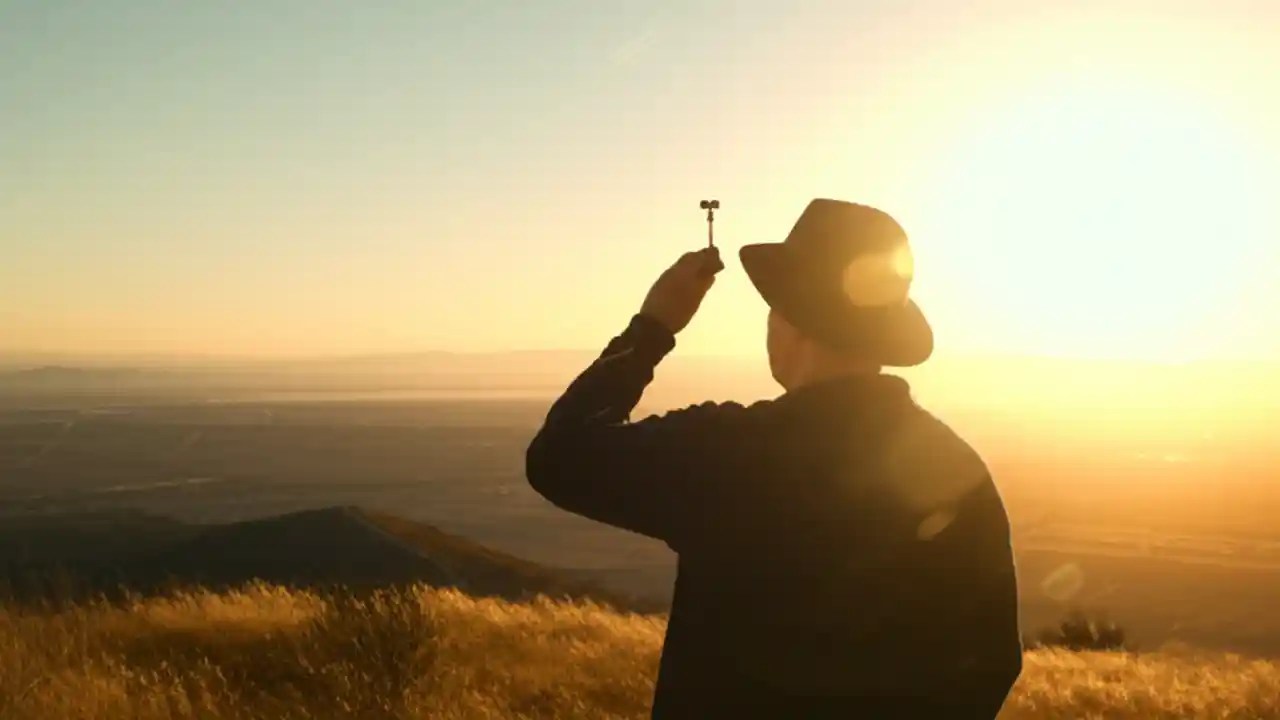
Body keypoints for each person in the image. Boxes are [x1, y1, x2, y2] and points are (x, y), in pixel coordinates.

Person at [526, 199, 1022, 718]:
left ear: (790, 316)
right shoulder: (954, 470)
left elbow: (559, 456)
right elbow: (990, 663)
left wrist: (651, 329)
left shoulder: (726, 452)